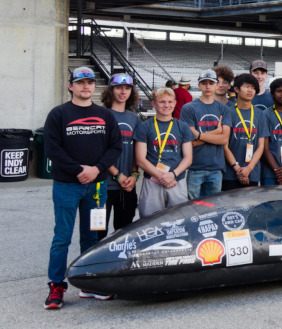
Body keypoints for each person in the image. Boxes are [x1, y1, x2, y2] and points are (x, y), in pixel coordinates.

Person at [43, 67, 122, 309]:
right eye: (80, 82)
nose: (85, 86)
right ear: (71, 86)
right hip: (67, 185)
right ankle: (56, 286)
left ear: (94, 87)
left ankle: (89, 282)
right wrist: (79, 170)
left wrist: (96, 169)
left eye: (89, 82)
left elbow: (115, 147)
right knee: (62, 238)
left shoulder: (105, 115)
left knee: (92, 237)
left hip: (97, 188)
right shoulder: (58, 114)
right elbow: (52, 149)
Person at [134, 87, 192, 217]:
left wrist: (173, 175)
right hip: (152, 180)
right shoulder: (144, 127)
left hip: (176, 180)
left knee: (179, 220)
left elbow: (188, 157)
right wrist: (162, 177)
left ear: (175, 103)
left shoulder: (182, 127)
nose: (166, 105)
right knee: (150, 221)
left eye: (170, 102)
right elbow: (140, 159)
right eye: (162, 102)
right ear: (154, 104)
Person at [96, 74, 140, 242]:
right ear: (111, 90)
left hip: (127, 186)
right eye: (119, 88)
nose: (123, 92)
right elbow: (99, 151)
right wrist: (117, 175)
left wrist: (134, 175)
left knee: (124, 233)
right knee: (97, 232)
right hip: (103, 185)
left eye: (127, 88)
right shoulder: (101, 115)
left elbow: (137, 150)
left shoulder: (134, 118)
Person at [180, 70, 232, 199]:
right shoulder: (188, 108)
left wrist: (199, 135)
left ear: (217, 85)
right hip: (195, 167)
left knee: (212, 207)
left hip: (216, 168)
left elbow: (224, 139)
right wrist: (216, 132)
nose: (208, 86)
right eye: (204, 83)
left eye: (211, 83)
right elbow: (189, 140)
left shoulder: (224, 109)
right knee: (192, 207)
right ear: (199, 85)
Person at [222, 74, 268, 191]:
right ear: (236, 89)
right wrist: (238, 169)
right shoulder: (228, 112)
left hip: (252, 173)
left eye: (253, 88)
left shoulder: (260, 114)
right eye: (247, 86)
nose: (250, 90)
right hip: (230, 173)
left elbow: (261, 146)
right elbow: (224, 145)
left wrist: (248, 169)